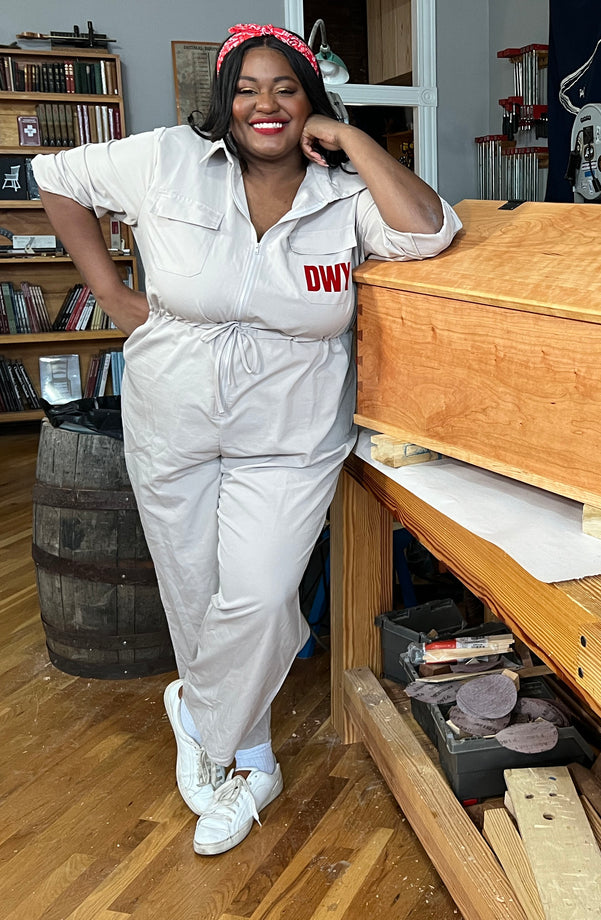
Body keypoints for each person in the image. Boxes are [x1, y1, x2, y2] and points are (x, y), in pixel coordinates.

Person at [34, 23, 461, 857]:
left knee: (261, 599)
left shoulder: (345, 194)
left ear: (311, 101)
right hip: (173, 415)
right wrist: (111, 294)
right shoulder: (165, 159)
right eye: (246, 88)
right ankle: (250, 762)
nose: (265, 104)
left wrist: (352, 141)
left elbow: (429, 232)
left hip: (290, 429)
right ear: (222, 100)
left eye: (286, 88)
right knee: (196, 594)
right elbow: (54, 176)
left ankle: (199, 714)